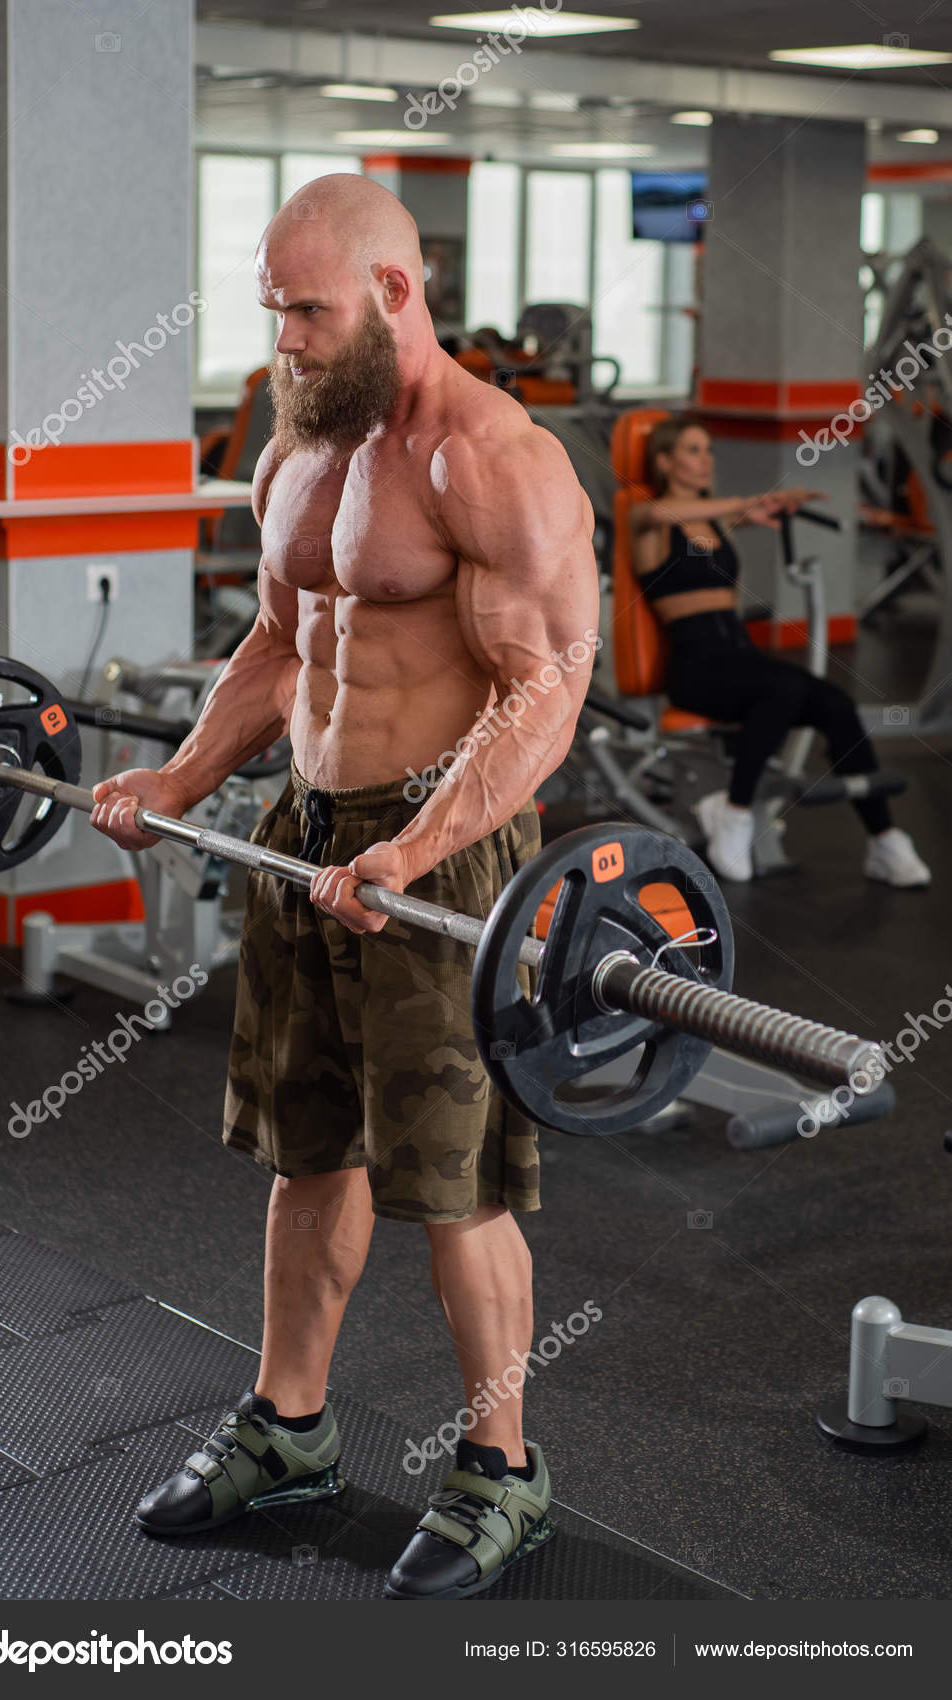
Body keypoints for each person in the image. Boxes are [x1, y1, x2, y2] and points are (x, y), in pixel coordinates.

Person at [88, 173, 600, 1600]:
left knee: (456, 1184)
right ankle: (290, 1425)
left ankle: (503, 1466)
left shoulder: (490, 456)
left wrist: (416, 845)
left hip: (434, 857)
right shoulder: (298, 448)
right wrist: (185, 781)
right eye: (272, 310)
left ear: (393, 292)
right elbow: (274, 643)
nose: (286, 341)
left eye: (307, 311)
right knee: (308, 1152)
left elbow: (547, 687)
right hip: (308, 835)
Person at [629, 417, 930, 886]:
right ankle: (735, 812)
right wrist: (750, 503)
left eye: (709, 449)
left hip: (740, 658)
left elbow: (731, 523)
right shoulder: (644, 516)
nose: (706, 459)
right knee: (782, 688)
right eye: (693, 450)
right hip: (696, 669)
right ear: (664, 461)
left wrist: (766, 508)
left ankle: (884, 840)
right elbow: (663, 514)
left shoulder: (717, 521)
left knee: (837, 705)